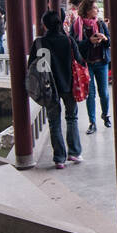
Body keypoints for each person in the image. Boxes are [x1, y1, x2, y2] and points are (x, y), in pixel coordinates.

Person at [32, 9, 85, 169]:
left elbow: (32, 67)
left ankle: (59, 158)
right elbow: (80, 60)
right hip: (68, 85)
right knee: (72, 118)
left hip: (48, 88)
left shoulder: (40, 43)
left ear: (44, 25)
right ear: (61, 23)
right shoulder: (68, 41)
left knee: (54, 122)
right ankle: (74, 152)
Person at [73, 0, 111, 134]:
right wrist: (89, 41)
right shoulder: (77, 25)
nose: (97, 10)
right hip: (87, 63)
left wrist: (104, 39)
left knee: (104, 93)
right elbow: (75, 45)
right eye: (95, 8)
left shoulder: (100, 24)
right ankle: (92, 122)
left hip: (101, 62)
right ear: (87, 10)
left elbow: (109, 42)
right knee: (91, 94)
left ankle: (105, 115)